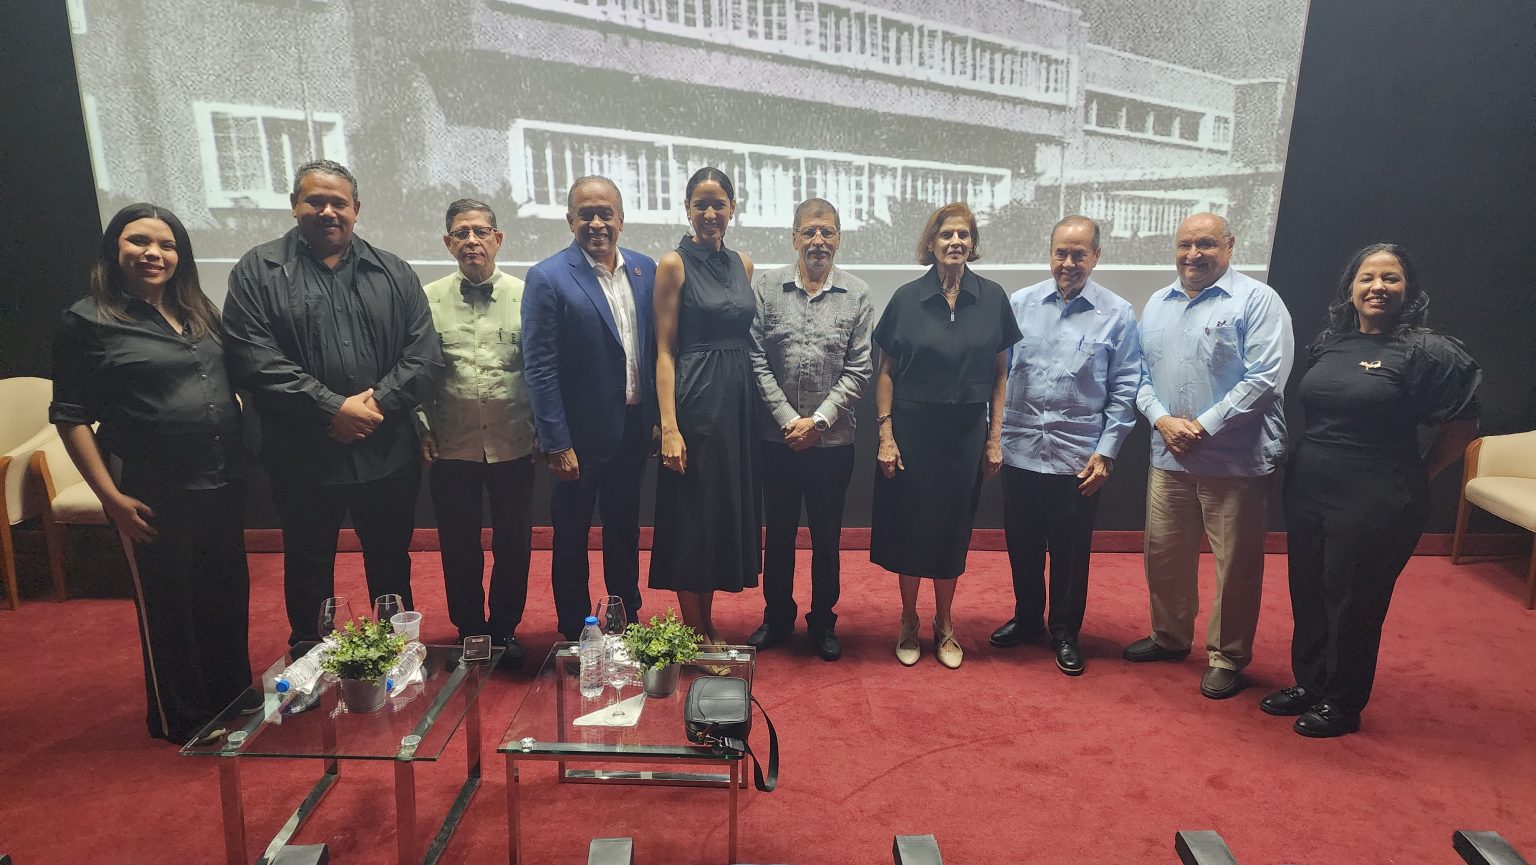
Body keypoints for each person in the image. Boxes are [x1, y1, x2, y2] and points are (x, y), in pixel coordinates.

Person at [50, 204, 252, 744]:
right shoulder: (87, 320)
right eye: (138, 241)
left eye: (165, 245)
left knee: (224, 591)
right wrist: (111, 498)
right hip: (150, 487)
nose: (152, 253)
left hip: (221, 480)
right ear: (114, 251)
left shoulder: (199, 312)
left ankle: (232, 695)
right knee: (169, 603)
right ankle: (181, 717)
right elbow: (70, 418)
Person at [1263, 243, 1479, 737]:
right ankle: (1311, 683)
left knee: (1354, 601)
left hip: (1378, 496)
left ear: (1409, 290)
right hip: (1311, 487)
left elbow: (1463, 424)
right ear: (1351, 289)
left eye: (1390, 279)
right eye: (1367, 278)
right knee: (1310, 590)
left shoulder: (1428, 352)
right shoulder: (1330, 344)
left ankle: (1342, 701)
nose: (1377, 287)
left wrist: (1420, 474)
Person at [223, 160, 443, 645]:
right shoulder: (257, 271)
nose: (327, 211)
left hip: (386, 454)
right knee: (308, 563)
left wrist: (372, 407)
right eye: (314, 201)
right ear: (295, 206)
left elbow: (424, 357)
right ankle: (310, 657)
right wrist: (332, 408)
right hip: (303, 454)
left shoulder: (394, 271)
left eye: (338, 202)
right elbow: (252, 359)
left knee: (390, 563)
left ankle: (396, 658)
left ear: (356, 209)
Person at [1125, 212, 1294, 700]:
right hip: (1169, 457)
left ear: (1230, 246)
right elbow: (1138, 376)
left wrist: (1203, 426)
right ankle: (1170, 637)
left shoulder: (1258, 300)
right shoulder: (1157, 303)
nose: (1193, 254)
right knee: (1164, 557)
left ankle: (1227, 656)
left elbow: (1265, 378)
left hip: (1235, 461)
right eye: (1184, 245)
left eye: (1205, 244)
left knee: (1236, 567)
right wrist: (1160, 419)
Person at [989, 216, 1140, 676]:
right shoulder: (1019, 304)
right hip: (1020, 449)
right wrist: (992, 437)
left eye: (1079, 254)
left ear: (1096, 256)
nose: (1068, 263)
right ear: (1050, 252)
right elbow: (999, 376)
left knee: (1071, 553)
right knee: (1023, 544)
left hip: (1079, 457)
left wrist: (1107, 451)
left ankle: (1065, 632)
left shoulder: (1118, 313)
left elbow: (1126, 385)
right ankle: (1028, 619)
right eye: (1061, 252)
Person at [872, 202, 1020, 669]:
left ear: (972, 244)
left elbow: (1000, 376)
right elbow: (886, 374)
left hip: (964, 436)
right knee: (911, 531)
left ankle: (945, 623)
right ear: (931, 243)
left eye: (964, 235)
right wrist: (886, 436)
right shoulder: (905, 298)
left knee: (951, 533)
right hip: (913, 430)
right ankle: (909, 621)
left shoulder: (993, 297)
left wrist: (995, 439)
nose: (955, 242)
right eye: (946, 235)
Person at [523, 176, 656, 640]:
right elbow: (539, 367)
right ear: (570, 219)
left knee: (624, 533)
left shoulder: (646, 270)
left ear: (621, 218)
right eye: (586, 214)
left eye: (606, 214)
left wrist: (658, 420)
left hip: (633, 431)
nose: (597, 223)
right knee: (572, 540)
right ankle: (578, 629)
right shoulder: (548, 276)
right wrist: (556, 441)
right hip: (576, 441)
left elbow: (653, 349)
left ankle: (626, 622)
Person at [747, 198, 873, 661]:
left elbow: (859, 370)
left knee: (826, 538)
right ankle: (777, 617)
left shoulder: (857, 294)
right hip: (776, 439)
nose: (818, 241)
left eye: (828, 232)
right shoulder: (766, 288)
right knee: (777, 535)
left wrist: (818, 422)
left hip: (833, 442)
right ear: (793, 237)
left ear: (839, 238)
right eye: (810, 232)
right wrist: (788, 420)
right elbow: (755, 359)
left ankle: (823, 621)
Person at [416, 198, 534, 666]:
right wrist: (420, 425)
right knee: (458, 546)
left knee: (513, 545)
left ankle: (504, 631)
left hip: (513, 441)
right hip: (452, 443)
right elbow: (417, 371)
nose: (472, 241)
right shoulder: (426, 298)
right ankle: (470, 632)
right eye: (461, 233)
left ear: (498, 239)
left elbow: (541, 369)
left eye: (481, 232)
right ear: (448, 243)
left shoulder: (528, 295)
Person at [650, 167, 760, 647]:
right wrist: (669, 427)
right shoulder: (673, 263)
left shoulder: (744, 264)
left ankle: (706, 623)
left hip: (737, 404)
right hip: (695, 401)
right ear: (687, 210)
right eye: (701, 204)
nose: (710, 213)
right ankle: (693, 633)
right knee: (692, 515)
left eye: (718, 203)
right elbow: (664, 351)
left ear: (733, 208)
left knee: (719, 514)